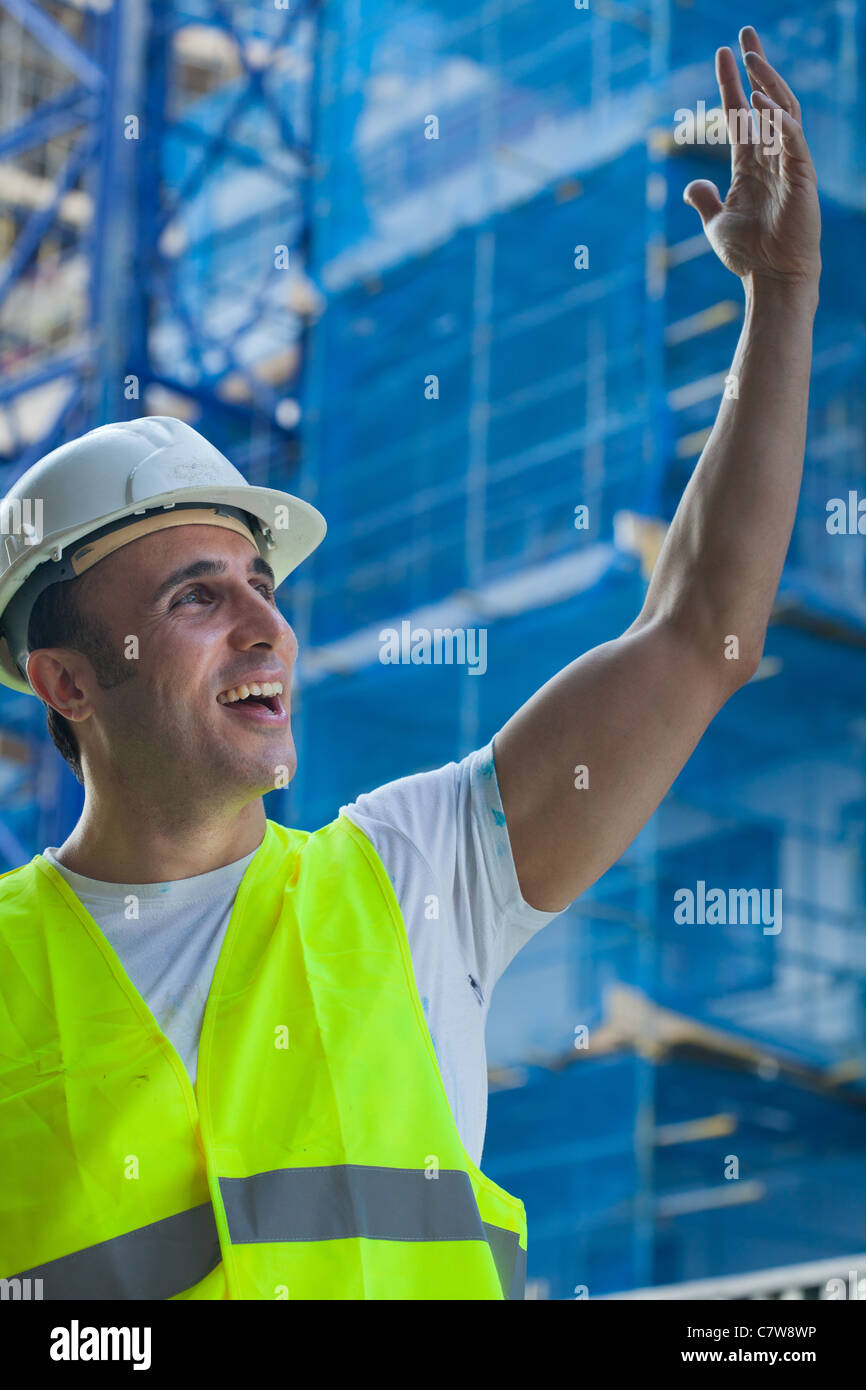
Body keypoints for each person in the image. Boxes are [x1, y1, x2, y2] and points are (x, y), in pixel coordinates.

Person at [0, 27, 820, 1300]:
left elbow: (699, 628)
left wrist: (777, 304)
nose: (264, 625)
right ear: (66, 680)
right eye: (195, 596)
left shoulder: (413, 875)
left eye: (263, 588)